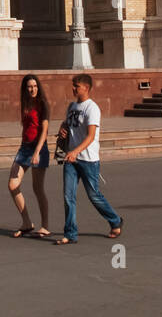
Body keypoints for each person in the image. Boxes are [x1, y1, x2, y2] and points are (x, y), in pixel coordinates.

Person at [54, 73, 122, 246]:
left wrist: (75, 151)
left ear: (86, 87)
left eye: (76, 85)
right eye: (73, 85)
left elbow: (91, 136)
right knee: (68, 196)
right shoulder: (72, 106)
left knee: (94, 195)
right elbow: (67, 124)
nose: (73, 88)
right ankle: (70, 233)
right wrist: (62, 130)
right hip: (71, 159)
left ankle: (115, 220)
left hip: (88, 160)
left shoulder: (92, 108)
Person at [8, 74, 51, 238]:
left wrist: (37, 152)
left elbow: (44, 131)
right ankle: (27, 222)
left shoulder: (43, 105)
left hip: (38, 148)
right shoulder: (25, 104)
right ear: (25, 89)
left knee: (38, 189)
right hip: (24, 148)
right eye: (29, 87)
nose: (32, 89)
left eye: (34, 86)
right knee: (12, 184)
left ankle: (45, 226)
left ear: (38, 87)